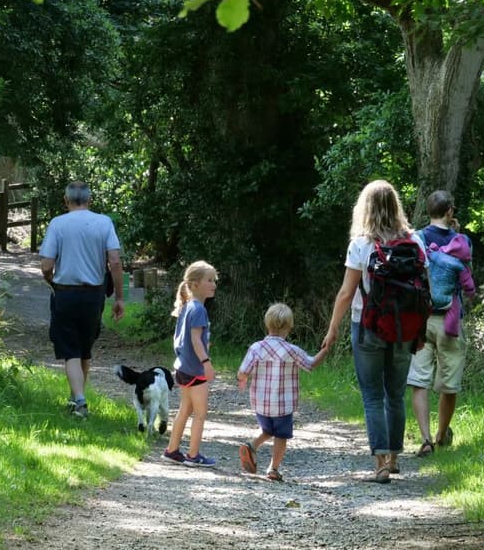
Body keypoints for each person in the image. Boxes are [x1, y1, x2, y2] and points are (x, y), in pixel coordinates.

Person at [321, 179, 424, 484]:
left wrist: (332, 328)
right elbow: (423, 292)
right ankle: (394, 459)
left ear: (364, 208)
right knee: (395, 395)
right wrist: (420, 332)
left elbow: (346, 293)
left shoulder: (361, 245)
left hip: (367, 327)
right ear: (396, 206)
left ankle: (380, 465)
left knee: (372, 396)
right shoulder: (415, 242)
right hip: (405, 329)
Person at [38, 181, 125, 419]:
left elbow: (46, 265)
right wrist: (119, 297)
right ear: (89, 200)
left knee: (70, 349)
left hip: (65, 293)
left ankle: (79, 400)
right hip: (94, 295)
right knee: (84, 349)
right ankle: (76, 398)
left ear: (66, 200)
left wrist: (51, 280)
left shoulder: (58, 223)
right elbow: (115, 261)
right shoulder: (104, 223)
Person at [407, 190, 473, 456]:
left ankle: (426, 439)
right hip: (450, 321)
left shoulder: (416, 239)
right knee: (449, 382)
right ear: (450, 211)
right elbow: (468, 280)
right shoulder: (462, 241)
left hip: (421, 321)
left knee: (419, 381)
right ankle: (442, 434)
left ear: (428, 211)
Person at [237, 303, 328, 481]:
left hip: (261, 403)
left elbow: (242, 372)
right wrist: (325, 350)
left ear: (267, 324)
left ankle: (252, 445)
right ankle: (273, 468)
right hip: (283, 404)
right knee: (280, 435)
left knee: (267, 429)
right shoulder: (292, 351)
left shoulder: (256, 348)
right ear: (289, 326)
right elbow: (310, 364)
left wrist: (242, 379)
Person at [162, 260, 219, 467]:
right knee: (200, 413)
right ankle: (193, 455)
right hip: (195, 370)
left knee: (185, 409)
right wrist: (206, 362)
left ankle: (172, 450)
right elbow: (195, 339)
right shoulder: (198, 309)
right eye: (209, 280)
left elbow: (186, 339)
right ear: (195, 284)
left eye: (214, 280)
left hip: (182, 368)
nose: (213, 284)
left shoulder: (188, 307)